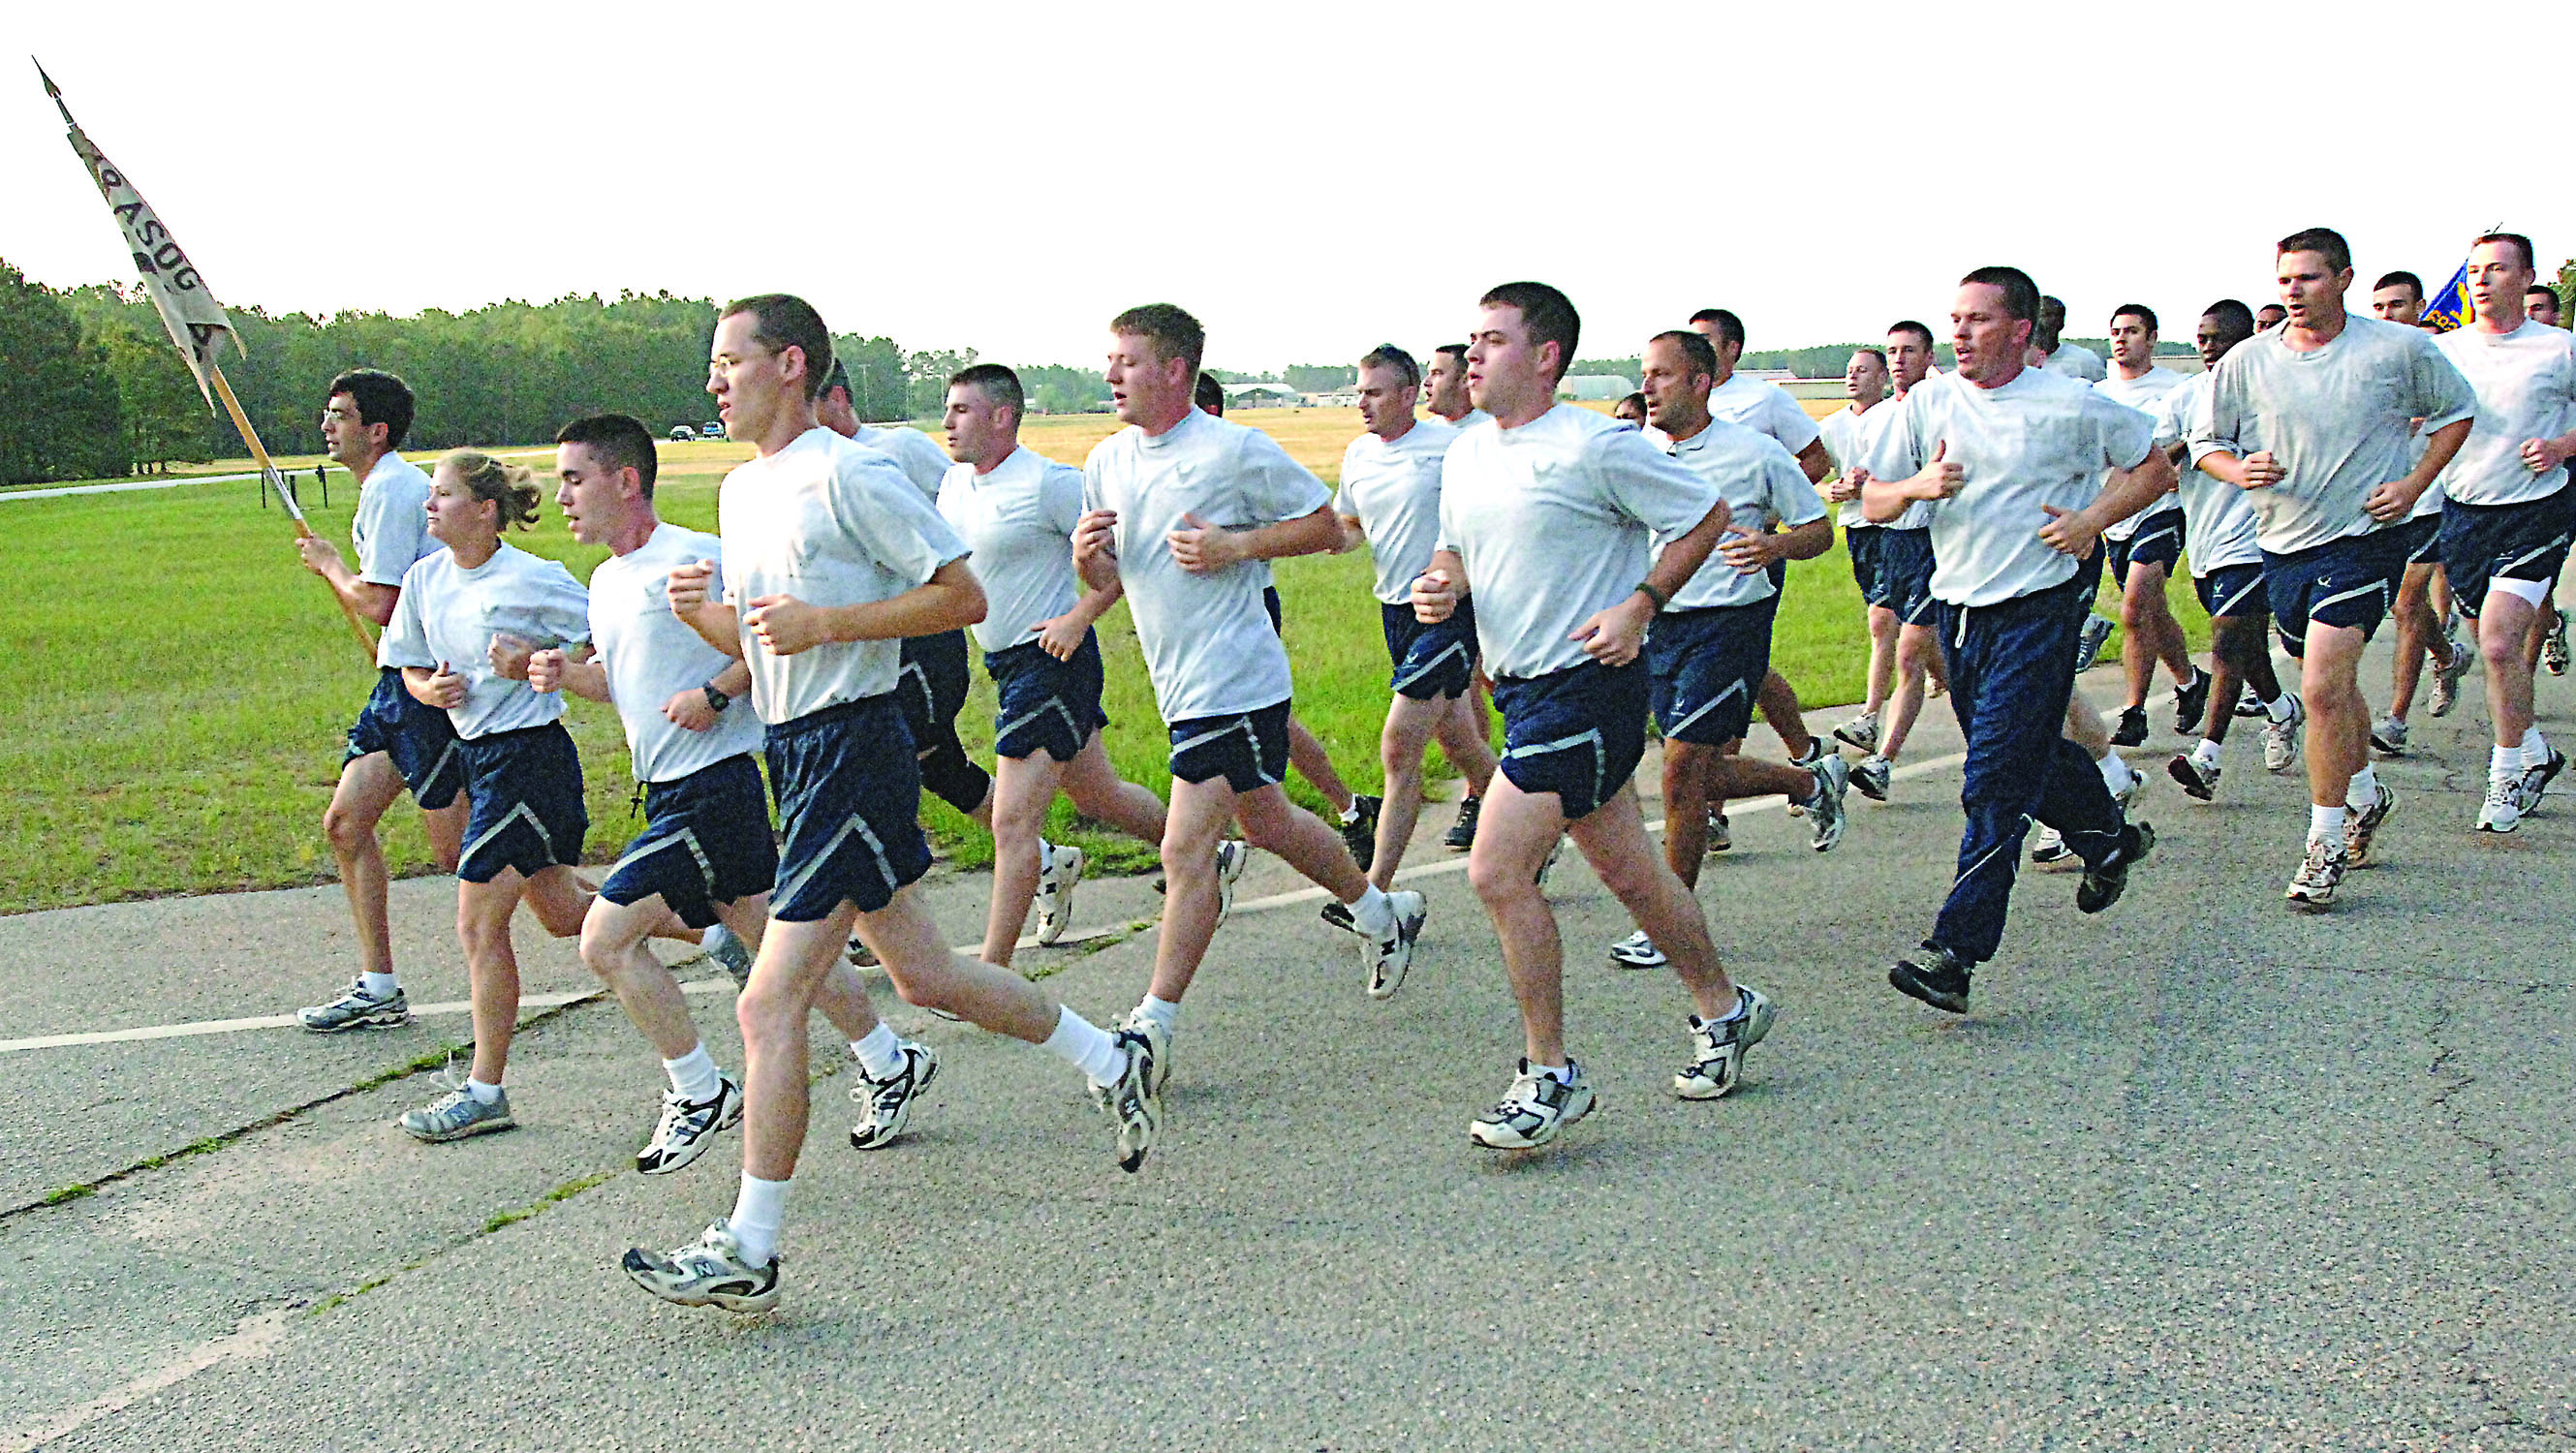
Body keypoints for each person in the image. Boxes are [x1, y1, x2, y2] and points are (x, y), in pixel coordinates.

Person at [625, 295, 1156, 1314]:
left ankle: (750, 1244)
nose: (712, 381)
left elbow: (962, 597)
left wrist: (833, 621)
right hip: (797, 751)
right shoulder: (743, 492)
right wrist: (712, 622)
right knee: (927, 977)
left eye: (727, 361)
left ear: (788, 364)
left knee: (766, 1000)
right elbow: (771, 646)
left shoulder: (851, 470)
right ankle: (1111, 1056)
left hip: (859, 748)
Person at [1416, 281, 1774, 1149]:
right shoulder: (1466, 452)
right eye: (1472, 339)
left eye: (1492, 340)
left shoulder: (1594, 445)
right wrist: (1442, 585)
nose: (1473, 354)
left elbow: (1704, 516)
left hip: (1591, 683)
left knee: (1497, 871)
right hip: (1523, 689)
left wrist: (1640, 605)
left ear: (1544, 357)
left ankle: (1551, 1074)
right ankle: (1726, 1009)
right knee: (1631, 873)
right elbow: (1456, 549)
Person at [535, 414, 932, 1174]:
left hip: (713, 788)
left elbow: (765, 646)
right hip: (666, 788)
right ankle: (887, 1060)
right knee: (775, 946)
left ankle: (697, 1088)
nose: (563, 496)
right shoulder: (606, 581)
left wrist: (715, 696)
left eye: (575, 479)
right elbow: (625, 688)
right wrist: (560, 675)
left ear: (625, 481)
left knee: (606, 938)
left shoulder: (694, 557)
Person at [1076, 303, 1426, 1051]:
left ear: (1174, 370)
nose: (1111, 375)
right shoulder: (1107, 460)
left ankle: (1153, 1026)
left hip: (1234, 677)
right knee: (1265, 821)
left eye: (1127, 362)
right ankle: (1380, 915)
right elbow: (1110, 572)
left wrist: (1236, 546)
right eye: (1110, 361)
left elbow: (1326, 528)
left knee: (1186, 849)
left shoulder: (1233, 450)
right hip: (1177, 680)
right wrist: (1085, 559)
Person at [1861, 266, 2170, 1014]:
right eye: (1954, 320)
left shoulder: (2070, 405)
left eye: (1977, 321)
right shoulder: (1928, 401)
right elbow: (1871, 497)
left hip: (2039, 607)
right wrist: (1914, 490)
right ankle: (2105, 838)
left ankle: (1955, 953)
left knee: (1992, 783)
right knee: (2023, 754)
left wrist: (2092, 520)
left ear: (2020, 330)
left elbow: (2155, 468)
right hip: (1960, 611)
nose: (1959, 334)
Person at [2190, 228, 2475, 909]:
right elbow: (2206, 443)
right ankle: (2365, 789)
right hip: (2282, 540)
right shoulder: (2248, 361)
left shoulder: (2397, 349)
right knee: (2334, 691)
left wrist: (2410, 486)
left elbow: (2456, 415)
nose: (2292, 291)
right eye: (2285, 279)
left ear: (2343, 279)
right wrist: (2239, 469)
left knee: (2319, 686)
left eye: (2308, 278)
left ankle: (2320, 846)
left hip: (2364, 538)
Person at [376, 451, 600, 1140]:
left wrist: (539, 662)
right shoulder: (424, 579)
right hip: (480, 759)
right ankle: (718, 928)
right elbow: (406, 663)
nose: (429, 505)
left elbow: (610, 647)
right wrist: (427, 690)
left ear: (484, 509)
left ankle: (483, 1091)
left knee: (477, 922)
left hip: (532, 761)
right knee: (565, 915)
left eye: (442, 494)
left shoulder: (534, 580)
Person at [1608, 328, 1847, 970]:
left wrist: (1772, 547)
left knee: (1681, 770)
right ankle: (1807, 781)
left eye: (1662, 375)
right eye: (1644, 374)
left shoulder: (1753, 454)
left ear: (1700, 382)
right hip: (1661, 625)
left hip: (1730, 626)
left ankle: (1667, 923)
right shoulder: (1633, 454)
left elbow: (1816, 530)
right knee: (1693, 776)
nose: (1648, 387)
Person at [935, 363, 1171, 965]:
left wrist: (1079, 616)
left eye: (962, 410)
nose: (948, 422)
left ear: (1002, 416)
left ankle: (992, 974)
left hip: (1053, 659)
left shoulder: (1049, 484)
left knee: (1012, 824)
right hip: (1004, 664)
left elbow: (1125, 564)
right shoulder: (954, 486)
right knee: (1098, 795)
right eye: (948, 408)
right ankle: (1205, 853)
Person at [292, 370, 468, 1033]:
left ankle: (689, 929)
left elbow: (383, 599)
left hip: (427, 692)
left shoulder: (395, 489)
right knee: (346, 824)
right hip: (397, 687)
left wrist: (332, 566)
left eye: (339, 415)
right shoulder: (383, 489)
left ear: (377, 430)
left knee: (471, 860)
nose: (326, 426)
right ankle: (378, 986)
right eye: (327, 414)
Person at [1329, 346, 1497, 901]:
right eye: (1359, 392)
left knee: (1400, 746)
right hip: (1395, 613)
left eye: (1375, 392)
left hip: (1447, 610)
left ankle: (1375, 896)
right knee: (1459, 743)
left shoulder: (1450, 448)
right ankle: (1540, 821)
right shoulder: (1359, 454)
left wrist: (1460, 582)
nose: (1363, 404)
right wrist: (1317, 540)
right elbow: (1349, 525)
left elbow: (1487, 526)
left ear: (1408, 396)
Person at [1197, 374, 1382, 866]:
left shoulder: (1230, 458)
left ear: (1209, 412)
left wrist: (1237, 547)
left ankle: (1203, 853)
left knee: (1239, 737)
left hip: (1249, 605)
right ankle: (1350, 807)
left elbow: (1317, 524)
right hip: (1192, 627)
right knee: (1268, 729)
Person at [2430, 232, 2576, 831]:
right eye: (2474, 270)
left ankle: (2505, 775)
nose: (2482, 280)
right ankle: (2535, 751)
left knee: (2495, 644)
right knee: (2493, 649)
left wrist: (2563, 446)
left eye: (2496, 269)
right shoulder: (2444, 352)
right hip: (2464, 512)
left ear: (2526, 277)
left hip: (2536, 509)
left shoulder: (2559, 349)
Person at [1683, 307, 1831, 846]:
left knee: (1728, 683)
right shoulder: (1668, 416)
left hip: (1750, 560)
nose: (1691, 349)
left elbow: (1815, 459)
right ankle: (1807, 759)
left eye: (1703, 342)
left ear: (1732, 349)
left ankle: (1712, 811)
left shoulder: (1763, 401)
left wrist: (1769, 510)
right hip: (1683, 578)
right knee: (1750, 675)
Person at [2159, 301, 2303, 800]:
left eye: (2218, 338)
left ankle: (2209, 757)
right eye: (2201, 337)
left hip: (2257, 537)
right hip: (2205, 538)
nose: (2206, 347)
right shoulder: (2186, 398)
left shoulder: (2274, 395)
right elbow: (2158, 464)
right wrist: (2191, 445)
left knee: (2225, 645)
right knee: (2246, 651)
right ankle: (2282, 709)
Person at [1829, 324, 1947, 800]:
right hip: (1893, 540)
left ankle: (1882, 756)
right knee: (1929, 654)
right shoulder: (1878, 421)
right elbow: (1871, 488)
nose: (1899, 359)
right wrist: (1853, 487)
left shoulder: (1944, 404)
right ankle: (1980, 710)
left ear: (1929, 356)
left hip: (1936, 540)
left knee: (1907, 648)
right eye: (1893, 350)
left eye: (1909, 351)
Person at [2090, 304, 2210, 747]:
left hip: (2161, 508)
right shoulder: (2097, 393)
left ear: (2153, 338)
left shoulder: (2175, 389)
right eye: (2116, 331)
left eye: (2133, 331)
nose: (2122, 339)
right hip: (2113, 514)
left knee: (2135, 606)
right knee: (2151, 612)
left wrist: (2167, 463)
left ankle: (2134, 711)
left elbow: (2192, 438)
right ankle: (2190, 680)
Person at [2363, 272, 2472, 754]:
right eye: (2380, 306)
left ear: (2421, 306)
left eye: (2398, 305)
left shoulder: (2438, 357)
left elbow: (2461, 414)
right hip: (2382, 502)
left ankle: (2396, 718)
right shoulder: (2365, 360)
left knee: (2408, 603)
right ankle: (2446, 655)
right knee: (2400, 604)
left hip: (2431, 499)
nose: (2388, 315)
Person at [1421, 341, 1497, 848]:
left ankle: (1482, 795)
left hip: (1479, 584)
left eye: (1438, 373)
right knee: (1477, 686)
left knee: (1466, 692)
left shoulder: (1482, 438)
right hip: (1436, 587)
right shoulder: (1430, 439)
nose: (1432, 382)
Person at [2036, 295, 2108, 381]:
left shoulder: (2085, 360)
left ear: (2061, 323)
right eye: (2044, 315)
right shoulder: (2018, 363)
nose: (2049, 321)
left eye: (2055, 316)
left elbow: (2100, 391)